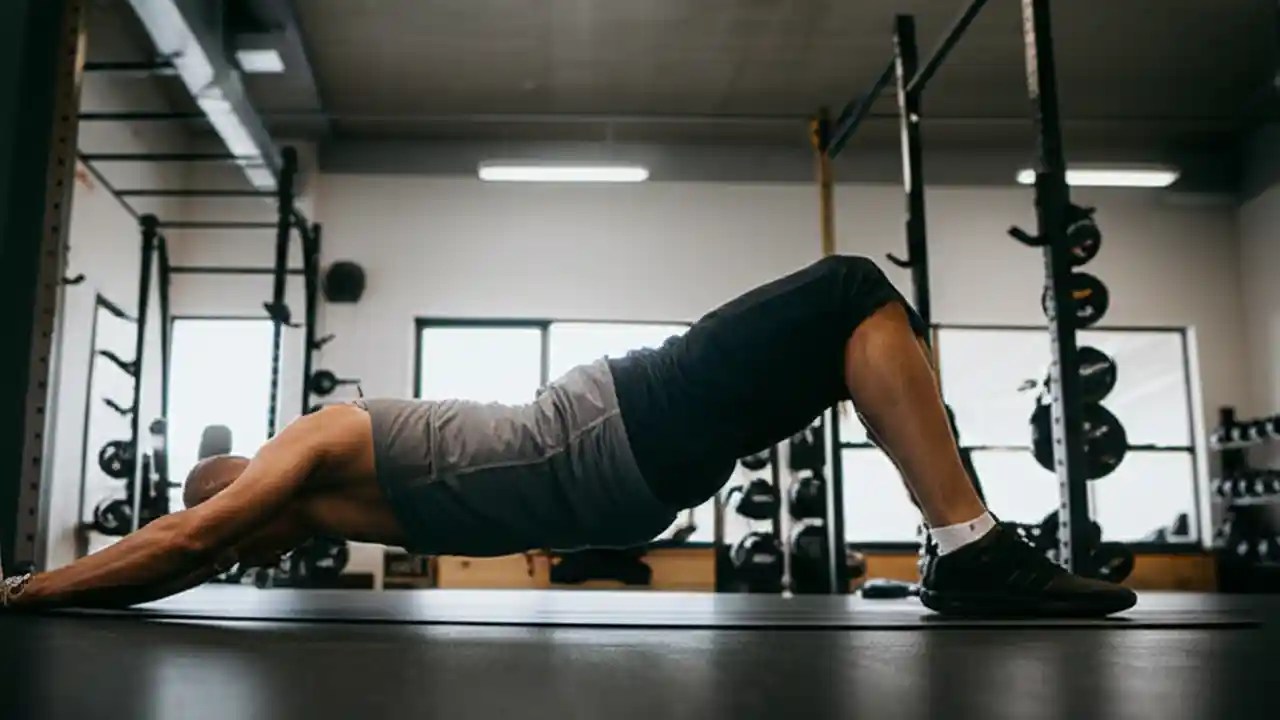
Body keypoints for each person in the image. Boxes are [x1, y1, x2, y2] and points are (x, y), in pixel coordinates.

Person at [0, 256, 1137, 616]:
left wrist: (44, 583)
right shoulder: (307, 444)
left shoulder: (304, 513)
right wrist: (28, 594)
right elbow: (189, 539)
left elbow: (175, 544)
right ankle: (967, 545)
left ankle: (959, 541)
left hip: (625, 479)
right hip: (620, 422)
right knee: (850, 290)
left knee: (853, 347)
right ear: (245, 474)